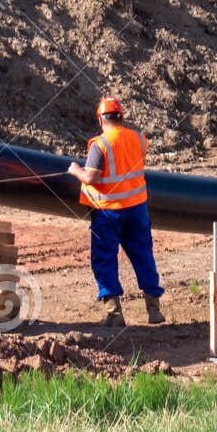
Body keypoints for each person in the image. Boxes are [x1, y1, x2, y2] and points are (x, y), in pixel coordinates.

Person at [66, 97, 165, 327]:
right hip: (137, 210)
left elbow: (91, 177)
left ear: (101, 119)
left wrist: (75, 170)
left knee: (104, 259)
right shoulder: (139, 138)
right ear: (121, 117)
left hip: (107, 213)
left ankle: (114, 313)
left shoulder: (100, 144)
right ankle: (154, 311)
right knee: (143, 256)